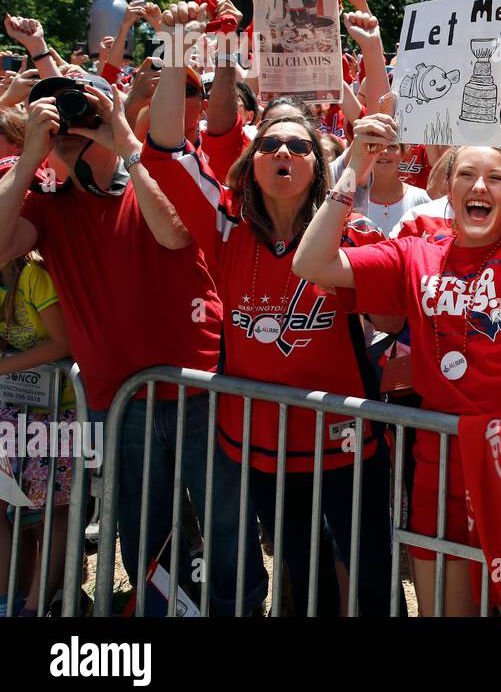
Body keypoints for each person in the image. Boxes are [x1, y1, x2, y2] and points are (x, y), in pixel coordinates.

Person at [294, 0, 501, 618]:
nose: (479, 184)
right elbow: (312, 262)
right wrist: (353, 164)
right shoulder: (413, 252)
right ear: (447, 188)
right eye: (465, 174)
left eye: (493, 177)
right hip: (441, 468)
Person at [0, 70, 266, 615]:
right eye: (54, 113)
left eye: (80, 107)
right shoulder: (46, 203)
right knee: (139, 526)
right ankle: (154, 610)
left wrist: (123, 139)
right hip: (116, 401)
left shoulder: (147, 172)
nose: (69, 121)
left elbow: (172, 231)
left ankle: (234, 608)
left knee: (225, 519)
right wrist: (30, 157)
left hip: (199, 389)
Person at [143, 59, 392, 616]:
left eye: (301, 146)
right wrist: (179, 49)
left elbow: (395, 319)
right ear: (249, 163)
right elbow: (163, 149)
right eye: (269, 143)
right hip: (264, 441)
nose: (283, 152)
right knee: (300, 573)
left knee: (371, 569)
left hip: (349, 442)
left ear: (321, 164)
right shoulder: (225, 228)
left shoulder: (354, 234)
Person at [0, 249, 73, 616]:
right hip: (12, 408)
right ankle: (7, 602)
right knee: (4, 503)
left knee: (55, 511)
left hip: (61, 410)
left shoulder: (34, 274)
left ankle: (33, 607)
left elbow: (62, 342)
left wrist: (5, 365)